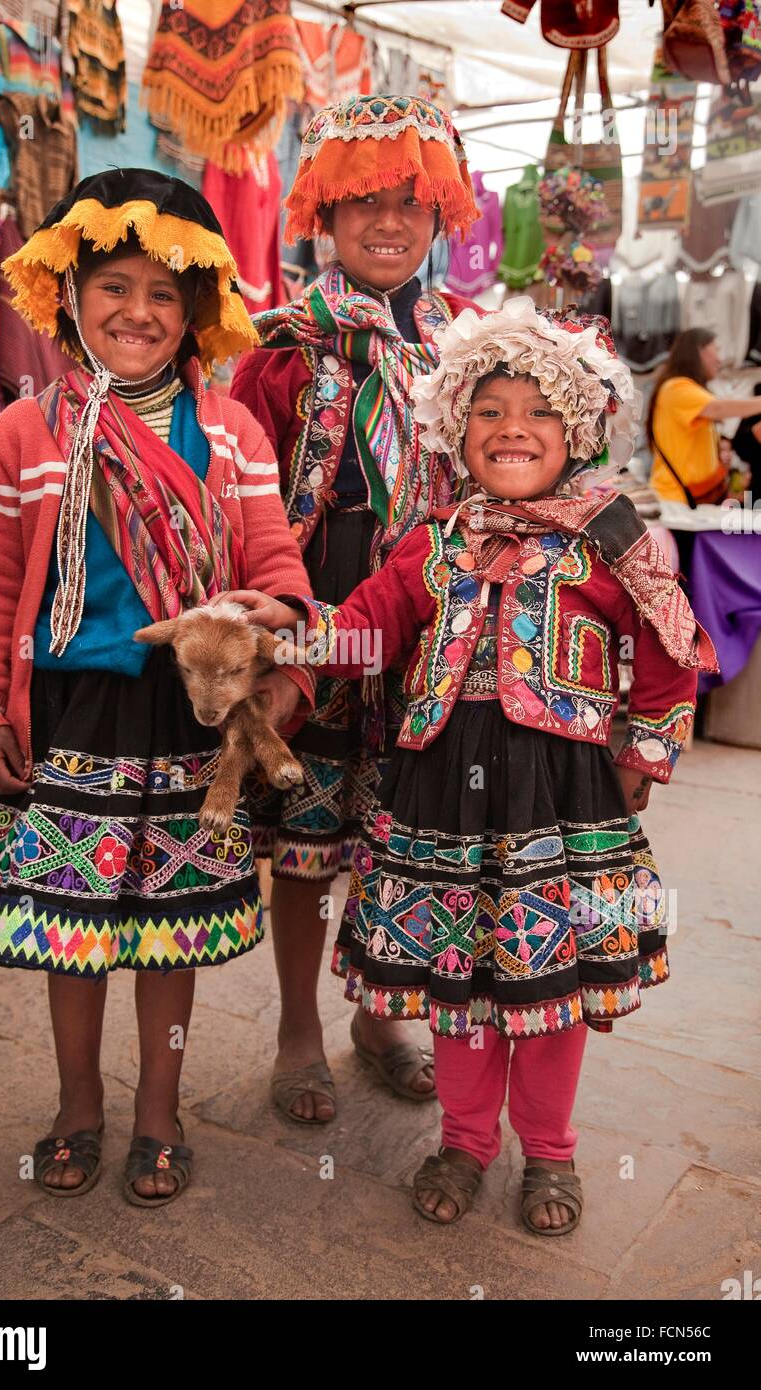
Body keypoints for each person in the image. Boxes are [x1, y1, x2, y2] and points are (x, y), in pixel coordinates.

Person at [221, 297, 718, 1234]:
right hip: (442, 795)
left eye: (538, 411)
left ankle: (552, 1156)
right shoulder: (432, 540)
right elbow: (370, 630)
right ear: (456, 427)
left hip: (562, 797)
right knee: (457, 977)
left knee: (550, 985)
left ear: (576, 428)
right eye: (489, 411)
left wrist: (645, 753)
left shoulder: (613, 534)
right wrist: (301, 629)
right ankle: (464, 1140)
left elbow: (671, 649)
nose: (513, 429)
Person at [0, 169, 314, 1207]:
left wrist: (263, 612)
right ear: (67, 296)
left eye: (164, 294)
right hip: (72, 714)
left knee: (168, 929)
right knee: (72, 927)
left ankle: (158, 1110)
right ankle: (77, 1105)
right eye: (114, 285)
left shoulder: (230, 434)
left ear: (195, 311)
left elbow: (280, 571)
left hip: (190, 716)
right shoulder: (23, 432)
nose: (138, 312)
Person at [230, 94, 479, 1124]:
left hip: (431, 639)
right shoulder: (277, 349)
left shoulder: (469, 352)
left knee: (406, 835)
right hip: (314, 629)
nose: (388, 224)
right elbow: (240, 496)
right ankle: (297, 1029)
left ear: (437, 218)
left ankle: (382, 1011)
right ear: (323, 219)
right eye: (364, 204)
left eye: (410, 205)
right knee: (306, 840)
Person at [647, 328, 756, 506]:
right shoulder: (676, 388)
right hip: (678, 501)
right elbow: (718, 408)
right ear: (698, 350)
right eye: (716, 350)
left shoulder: (686, 389)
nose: (720, 359)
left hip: (689, 500)